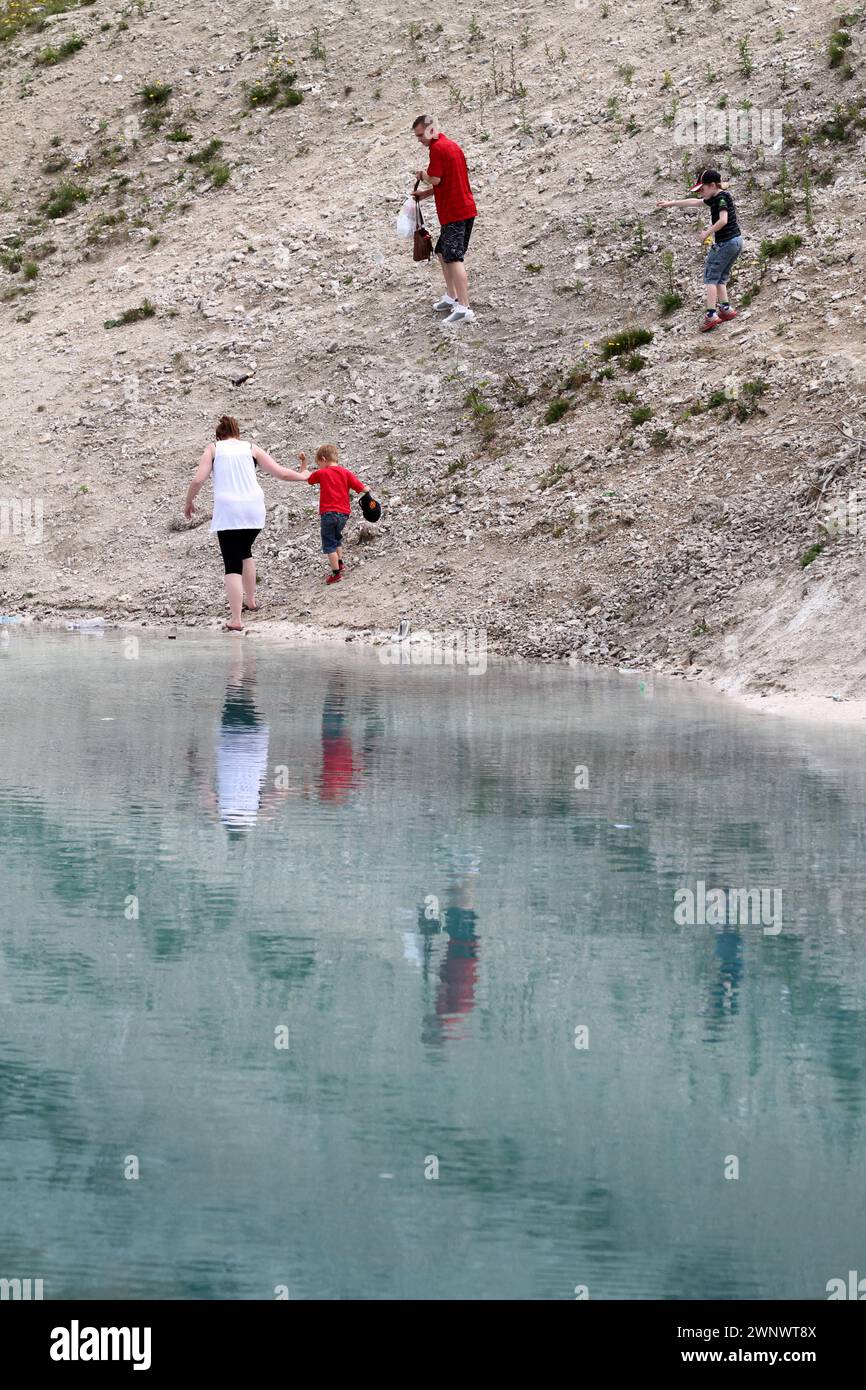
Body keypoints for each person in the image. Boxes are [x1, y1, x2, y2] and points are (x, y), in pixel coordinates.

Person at [183, 415, 309, 632]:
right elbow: (280, 473)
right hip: (254, 509)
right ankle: (250, 600)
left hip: (230, 511)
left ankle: (236, 619)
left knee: (232, 563)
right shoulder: (251, 447)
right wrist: (303, 475)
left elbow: (198, 479)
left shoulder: (213, 449)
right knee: (245, 552)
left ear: (219, 435)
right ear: (237, 433)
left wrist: (189, 501)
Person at [656, 168, 743, 332]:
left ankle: (711, 314)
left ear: (712, 185)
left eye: (702, 189)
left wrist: (707, 233)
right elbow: (694, 202)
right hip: (736, 242)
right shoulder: (716, 197)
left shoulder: (721, 199)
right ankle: (726, 309)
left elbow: (723, 220)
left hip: (726, 242)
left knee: (711, 277)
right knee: (721, 276)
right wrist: (671, 203)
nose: (701, 193)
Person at [411, 115, 478, 327]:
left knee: (454, 257)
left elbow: (436, 178)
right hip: (463, 209)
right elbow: (447, 182)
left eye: (421, 135)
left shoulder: (438, 149)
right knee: (441, 251)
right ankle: (452, 296)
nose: (419, 140)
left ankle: (464, 307)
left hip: (455, 213)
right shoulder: (452, 146)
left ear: (430, 130)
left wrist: (423, 174)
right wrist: (426, 194)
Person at [299, 443, 371, 585]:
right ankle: (340, 563)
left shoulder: (322, 473)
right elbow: (361, 487)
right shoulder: (346, 472)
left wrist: (303, 463)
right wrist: (368, 491)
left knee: (329, 544)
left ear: (323, 459)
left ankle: (336, 573)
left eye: (318, 463)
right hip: (344, 514)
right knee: (337, 538)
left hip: (328, 514)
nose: (318, 467)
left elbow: (307, 478)